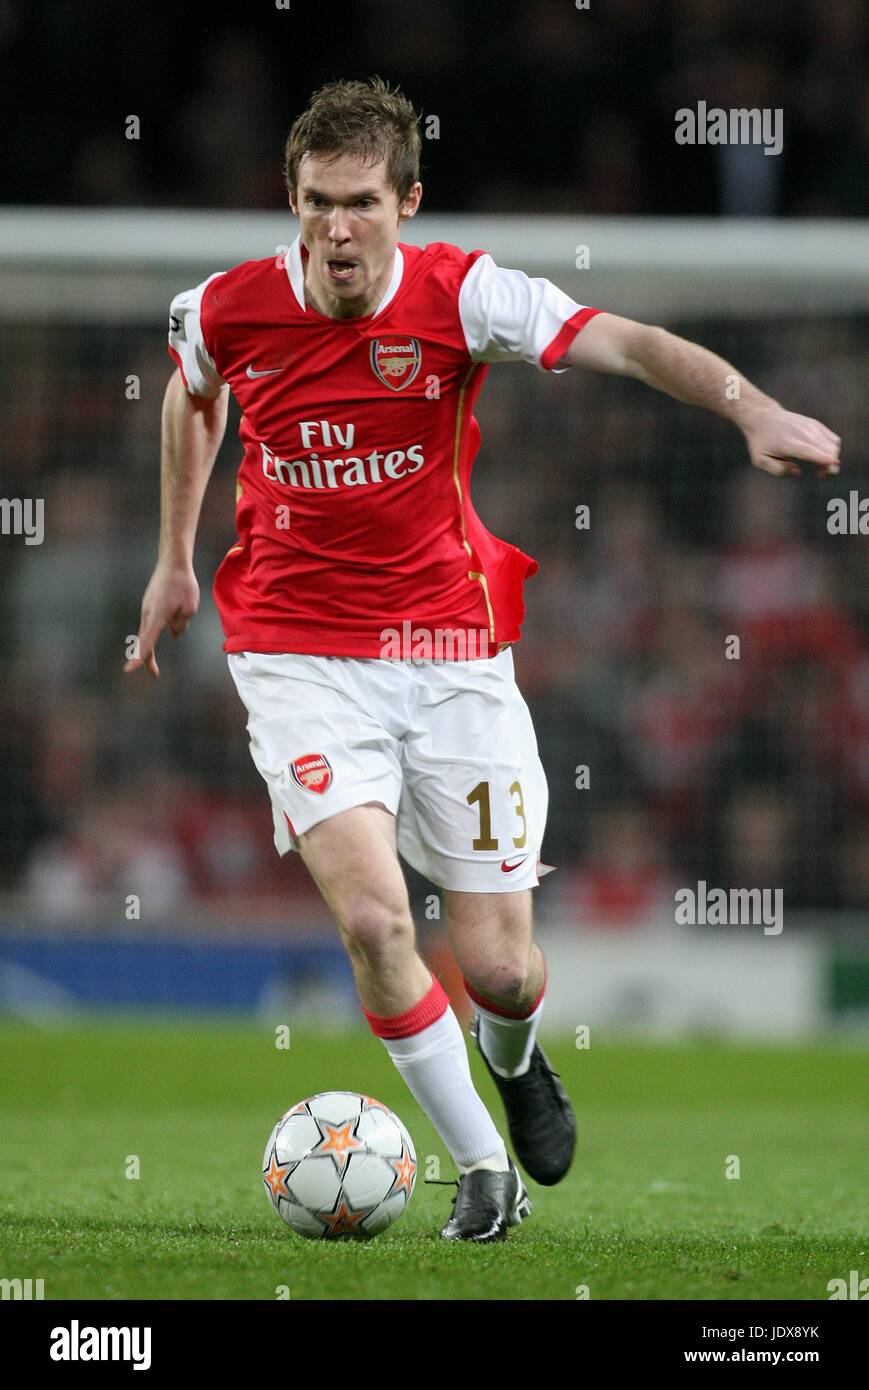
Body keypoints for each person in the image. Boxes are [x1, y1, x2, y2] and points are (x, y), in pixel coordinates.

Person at [125, 77, 841, 1242]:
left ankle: (512, 1058)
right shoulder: (223, 308)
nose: (337, 230)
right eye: (315, 204)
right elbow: (190, 397)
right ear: (290, 199)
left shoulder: (467, 297)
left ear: (409, 199)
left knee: (499, 969)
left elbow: (630, 341)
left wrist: (751, 408)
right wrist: (170, 557)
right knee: (371, 922)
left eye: (362, 202)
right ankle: (478, 1169)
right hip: (295, 653)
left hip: (450, 654)